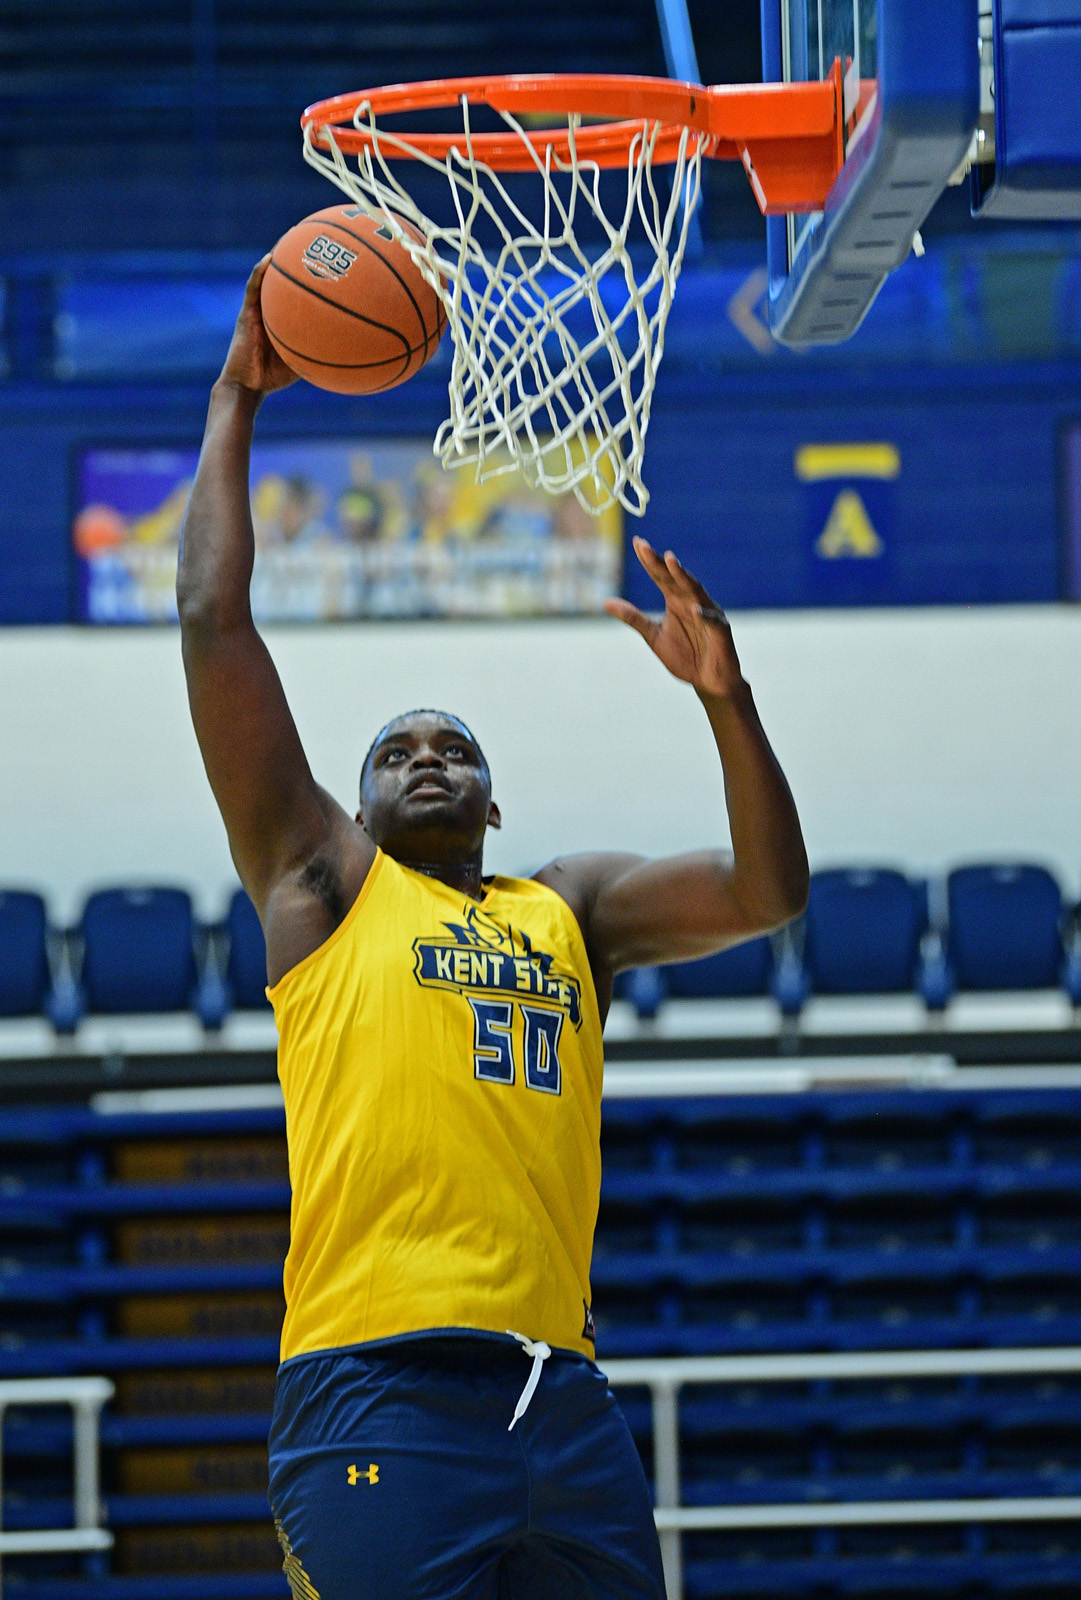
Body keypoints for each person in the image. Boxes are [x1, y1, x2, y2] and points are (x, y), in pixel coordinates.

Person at [177, 258, 809, 1600]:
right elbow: (212, 620)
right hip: (375, 1386)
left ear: (492, 797)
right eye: (396, 752)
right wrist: (238, 391)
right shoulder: (323, 885)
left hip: (560, 1398)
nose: (425, 757)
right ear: (348, 807)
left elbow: (767, 894)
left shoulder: (564, 908)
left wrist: (724, 700)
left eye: (452, 746)